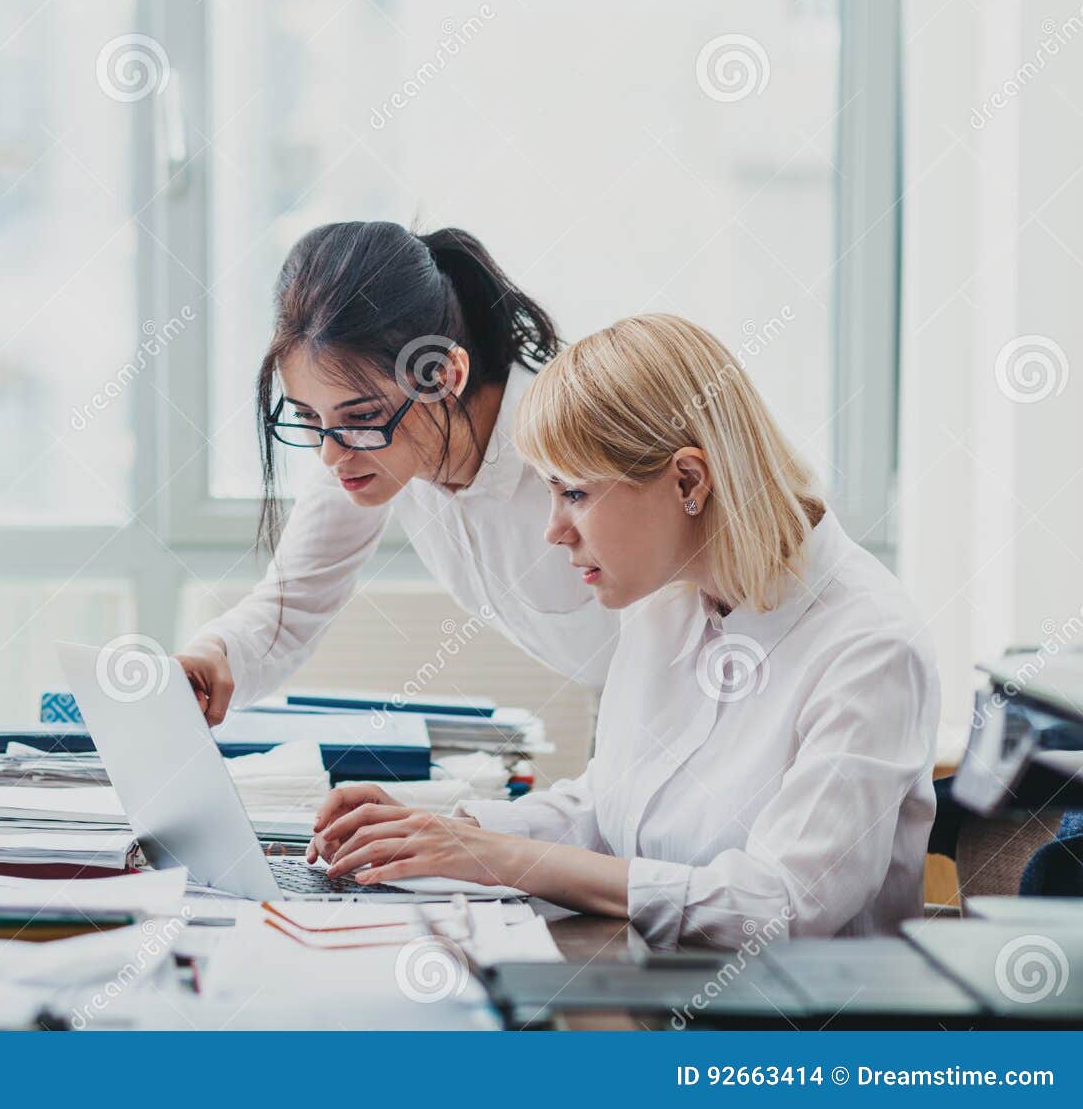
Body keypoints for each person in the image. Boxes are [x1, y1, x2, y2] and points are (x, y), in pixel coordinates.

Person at [308, 314, 938, 948]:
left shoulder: (869, 647)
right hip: (651, 980)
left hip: (793, 1010)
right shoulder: (669, 597)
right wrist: (445, 832)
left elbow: (779, 905)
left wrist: (505, 858)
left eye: (575, 494)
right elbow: (607, 808)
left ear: (688, 481)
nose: (553, 531)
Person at [176, 221, 618, 723]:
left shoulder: (576, 446)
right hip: (621, 709)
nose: (330, 456)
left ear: (444, 376)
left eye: (362, 415)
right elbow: (292, 604)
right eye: (308, 417)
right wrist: (214, 652)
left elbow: (679, 618)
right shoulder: (363, 451)